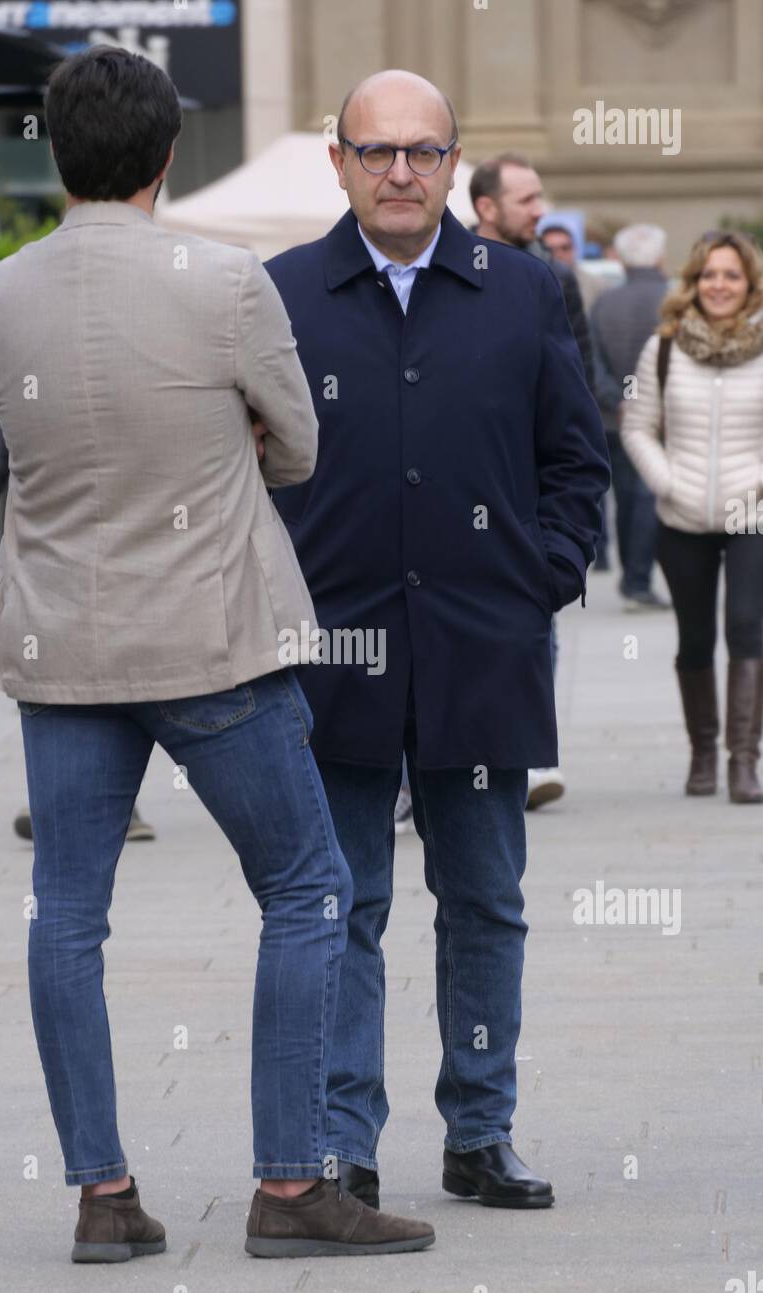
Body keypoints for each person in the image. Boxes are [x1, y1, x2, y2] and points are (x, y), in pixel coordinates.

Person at [0, 45, 433, 1261]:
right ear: (169, 154)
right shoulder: (225, 283)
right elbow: (299, 447)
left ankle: (102, 1196)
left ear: (53, 152)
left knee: (66, 915)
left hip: (60, 639)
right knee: (309, 888)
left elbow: (25, 448)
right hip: (214, 635)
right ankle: (291, 1187)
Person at [265, 71, 610, 1212]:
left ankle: (480, 1130)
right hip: (333, 661)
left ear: (454, 164)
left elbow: (575, 459)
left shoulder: (523, 292)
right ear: (339, 163)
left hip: (481, 654)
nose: (400, 171)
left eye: (422, 151)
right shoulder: (280, 297)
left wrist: (541, 580)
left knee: (484, 899)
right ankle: (343, 1142)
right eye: (377, 152)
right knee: (343, 905)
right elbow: (238, 483)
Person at [469, 152, 604, 809]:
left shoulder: (551, 279)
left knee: (534, 631)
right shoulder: (445, 274)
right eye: (527, 198)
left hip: (526, 504)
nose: (541, 208)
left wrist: (566, 548)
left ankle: (523, 756)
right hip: (456, 496)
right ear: (487, 207)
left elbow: (576, 389)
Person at [0, 418, 156, 841]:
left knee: (111, 672)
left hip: (117, 542)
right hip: (52, 549)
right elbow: (5, 427)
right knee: (54, 676)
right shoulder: (35, 364)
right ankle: (71, 799)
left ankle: (102, 801)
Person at [621, 231, 763, 803]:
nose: (720, 285)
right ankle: (703, 754)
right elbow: (636, 428)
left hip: (751, 511)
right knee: (696, 636)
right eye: (709, 275)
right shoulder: (663, 348)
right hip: (680, 516)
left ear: (750, 284)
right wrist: (668, 482)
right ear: (693, 283)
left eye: (731, 275)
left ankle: (743, 762)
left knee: (749, 629)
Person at [590, 224, 671, 611]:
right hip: (667, 419)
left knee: (626, 496)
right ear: (658, 257)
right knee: (650, 498)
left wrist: (619, 399)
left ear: (620, 259)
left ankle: (631, 575)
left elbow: (591, 362)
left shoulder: (605, 303)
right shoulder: (675, 299)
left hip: (614, 419)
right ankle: (638, 580)